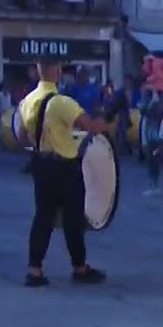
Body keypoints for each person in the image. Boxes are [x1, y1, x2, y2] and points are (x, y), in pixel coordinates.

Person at [18, 55, 111, 287]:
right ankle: (80, 267)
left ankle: (34, 269)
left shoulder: (27, 101)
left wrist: (44, 143)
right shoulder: (63, 103)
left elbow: (21, 137)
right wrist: (106, 117)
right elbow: (91, 128)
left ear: (38, 72)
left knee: (43, 217)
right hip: (65, 167)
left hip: (41, 164)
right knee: (73, 219)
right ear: (57, 72)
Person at [141, 53, 163, 196]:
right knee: (153, 156)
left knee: (154, 155)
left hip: (155, 132)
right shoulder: (150, 90)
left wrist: (153, 100)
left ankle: (154, 185)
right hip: (153, 131)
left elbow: (151, 112)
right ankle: (154, 185)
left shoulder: (156, 95)